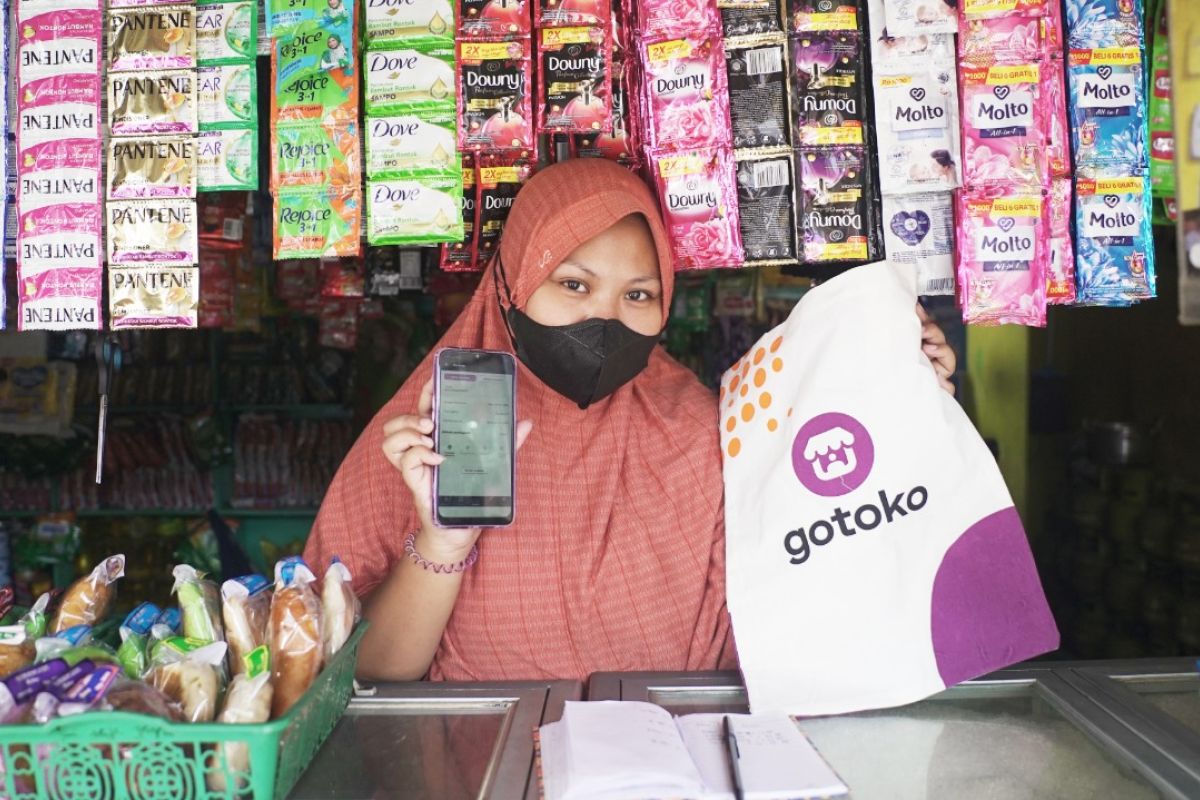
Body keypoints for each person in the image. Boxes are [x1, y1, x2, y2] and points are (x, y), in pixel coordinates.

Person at [303, 159, 957, 682]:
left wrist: (898, 390)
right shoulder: (420, 443)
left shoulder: (702, 429)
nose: (605, 319)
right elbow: (362, 670)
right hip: (489, 764)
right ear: (510, 284)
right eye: (574, 284)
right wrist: (442, 543)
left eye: (638, 294)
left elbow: (832, 536)